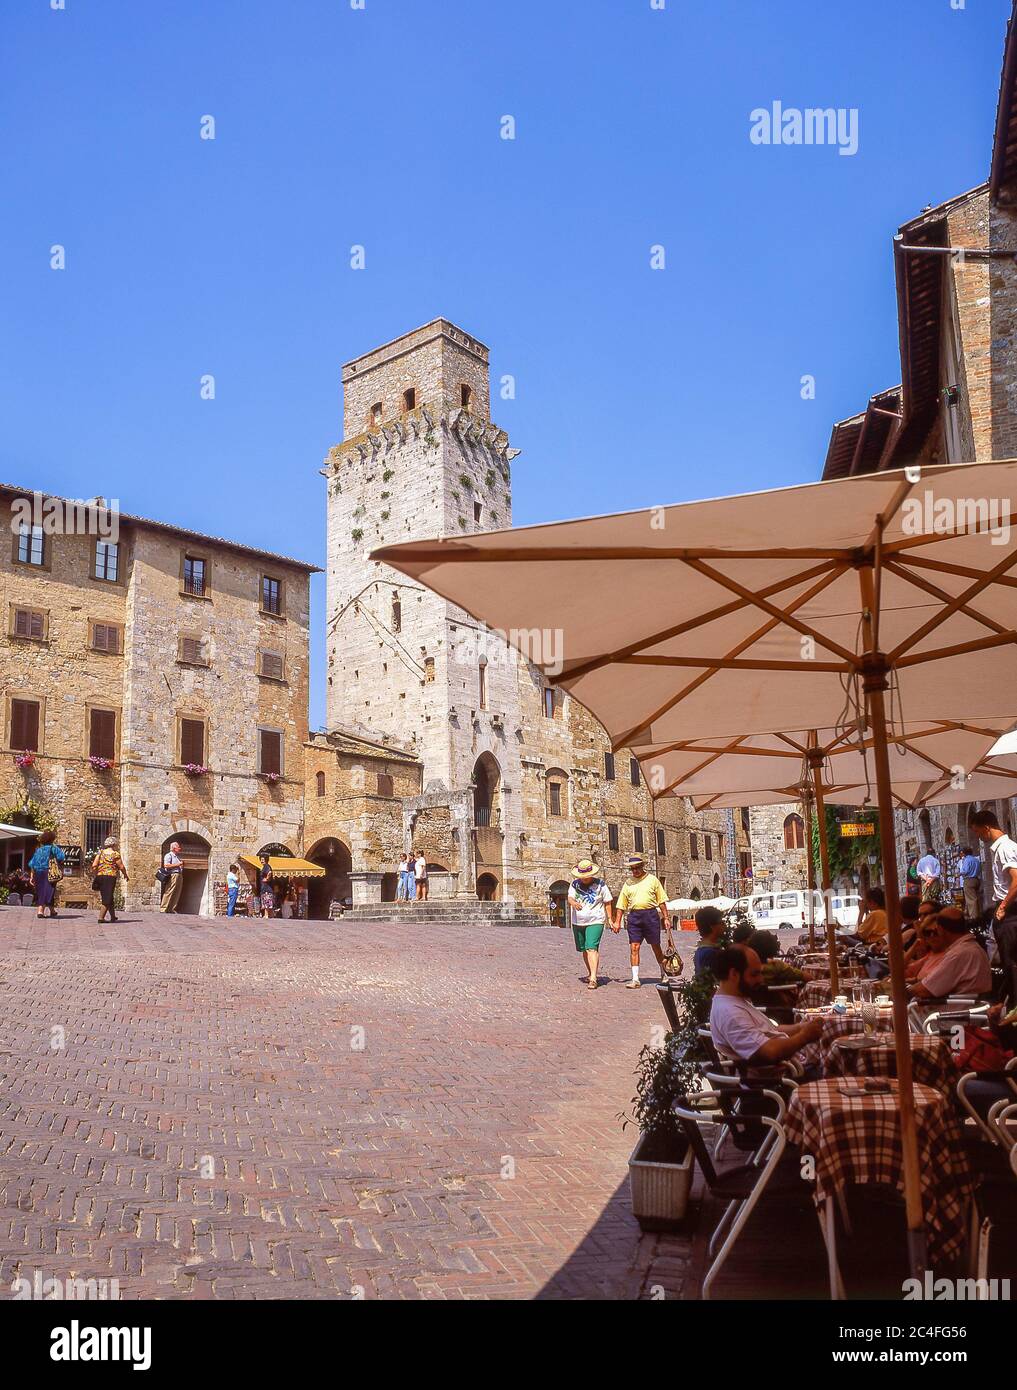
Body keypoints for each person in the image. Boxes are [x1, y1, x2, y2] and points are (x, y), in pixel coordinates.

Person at [709, 946, 823, 1068]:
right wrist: (804, 1036)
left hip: (793, 1066)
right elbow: (769, 1052)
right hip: (784, 1079)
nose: (761, 979)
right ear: (734, 974)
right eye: (754, 974)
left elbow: (769, 1032)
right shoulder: (730, 1013)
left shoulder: (734, 1000)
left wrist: (800, 1027)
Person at [970, 807, 1017, 1005]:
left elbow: (1016, 879)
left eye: (978, 832)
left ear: (987, 828)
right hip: (1006, 908)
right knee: (1006, 959)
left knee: (1011, 961)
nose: (979, 837)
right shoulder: (1000, 848)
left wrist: (1003, 906)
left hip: (1010, 910)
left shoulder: (1005, 848)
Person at [908, 907, 992, 999]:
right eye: (927, 933)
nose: (931, 936)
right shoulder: (972, 948)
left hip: (953, 1011)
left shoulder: (959, 954)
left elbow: (925, 990)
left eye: (934, 932)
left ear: (940, 929)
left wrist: (902, 991)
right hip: (968, 1008)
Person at [614, 853, 668, 988]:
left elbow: (661, 901)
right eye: (632, 869)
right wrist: (617, 922)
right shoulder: (628, 883)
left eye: (637, 868)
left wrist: (666, 918)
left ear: (642, 866)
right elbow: (621, 905)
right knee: (634, 947)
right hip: (634, 917)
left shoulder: (653, 880)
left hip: (651, 915)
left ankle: (663, 973)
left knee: (656, 946)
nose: (634, 871)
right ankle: (635, 979)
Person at [566, 858, 615, 991]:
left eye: (586, 876)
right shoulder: (574, 884)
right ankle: (590, 973)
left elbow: (608, 901)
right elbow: (570, 897)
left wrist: (610, 919)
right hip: (578, 922)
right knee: (584, 949)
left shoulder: (601, 885)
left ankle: (593, 978)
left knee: (591, 947)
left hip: (596, 920)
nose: (584, 879)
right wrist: (574, 903)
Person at [91, 836, 128, 923]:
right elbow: (121, 866)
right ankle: (101, 918)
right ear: (114, 844)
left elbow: (94, 865)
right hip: (110, 877)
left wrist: (96, 874)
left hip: (100, 876)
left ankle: (113, 917)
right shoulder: (115, 854)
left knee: (109, 896)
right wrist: (125, 875)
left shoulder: (100, 853)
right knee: (107, 898)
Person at [28, 831, 64, 920]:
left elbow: (32, 863)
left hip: (38, 873)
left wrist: (32, 876)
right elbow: (61, 857)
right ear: (52, 839)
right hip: (50, 872)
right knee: (48, 891)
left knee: (43, 891)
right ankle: (40, 910)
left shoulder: (38, 850)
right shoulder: (54, 848)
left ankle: (52, 910)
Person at [693, 904, 726, 978]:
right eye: (721, 922)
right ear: (712, 927)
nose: (725, 925)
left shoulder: (700, 950)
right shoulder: (711, 953)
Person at [958, 843, 983, 923]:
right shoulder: (976, 859)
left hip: (969, 880)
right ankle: (974, 914)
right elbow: (979, 869)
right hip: (976, 879)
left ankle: (974, 917)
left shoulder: (966, 860)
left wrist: (959, 873)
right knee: (976, 897)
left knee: (971, 899)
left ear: (964, 853)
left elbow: (965, 871)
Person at [160, 842, 184, 913]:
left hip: (179, 874)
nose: (179, 849)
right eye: (178, 847)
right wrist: (178, 864)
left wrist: (181, 867)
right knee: (169, 891)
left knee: (177, 892)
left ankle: (171, 908)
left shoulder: (177, 857)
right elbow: (166, 865)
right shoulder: (169, 855)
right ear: (174, 848)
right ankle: (163, 908)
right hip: (173, 874)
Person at [256, 853, 275, 918]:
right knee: (267, 901)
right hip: (265, 888)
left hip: (267, 888)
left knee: (267, 901)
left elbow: (269, 872)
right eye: (261, 859)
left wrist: (266, 879)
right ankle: (270, 915)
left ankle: (266, 915)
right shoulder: (264, 867)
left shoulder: (266, 866)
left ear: (266, 860)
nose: (261, 861)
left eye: (263, 859)